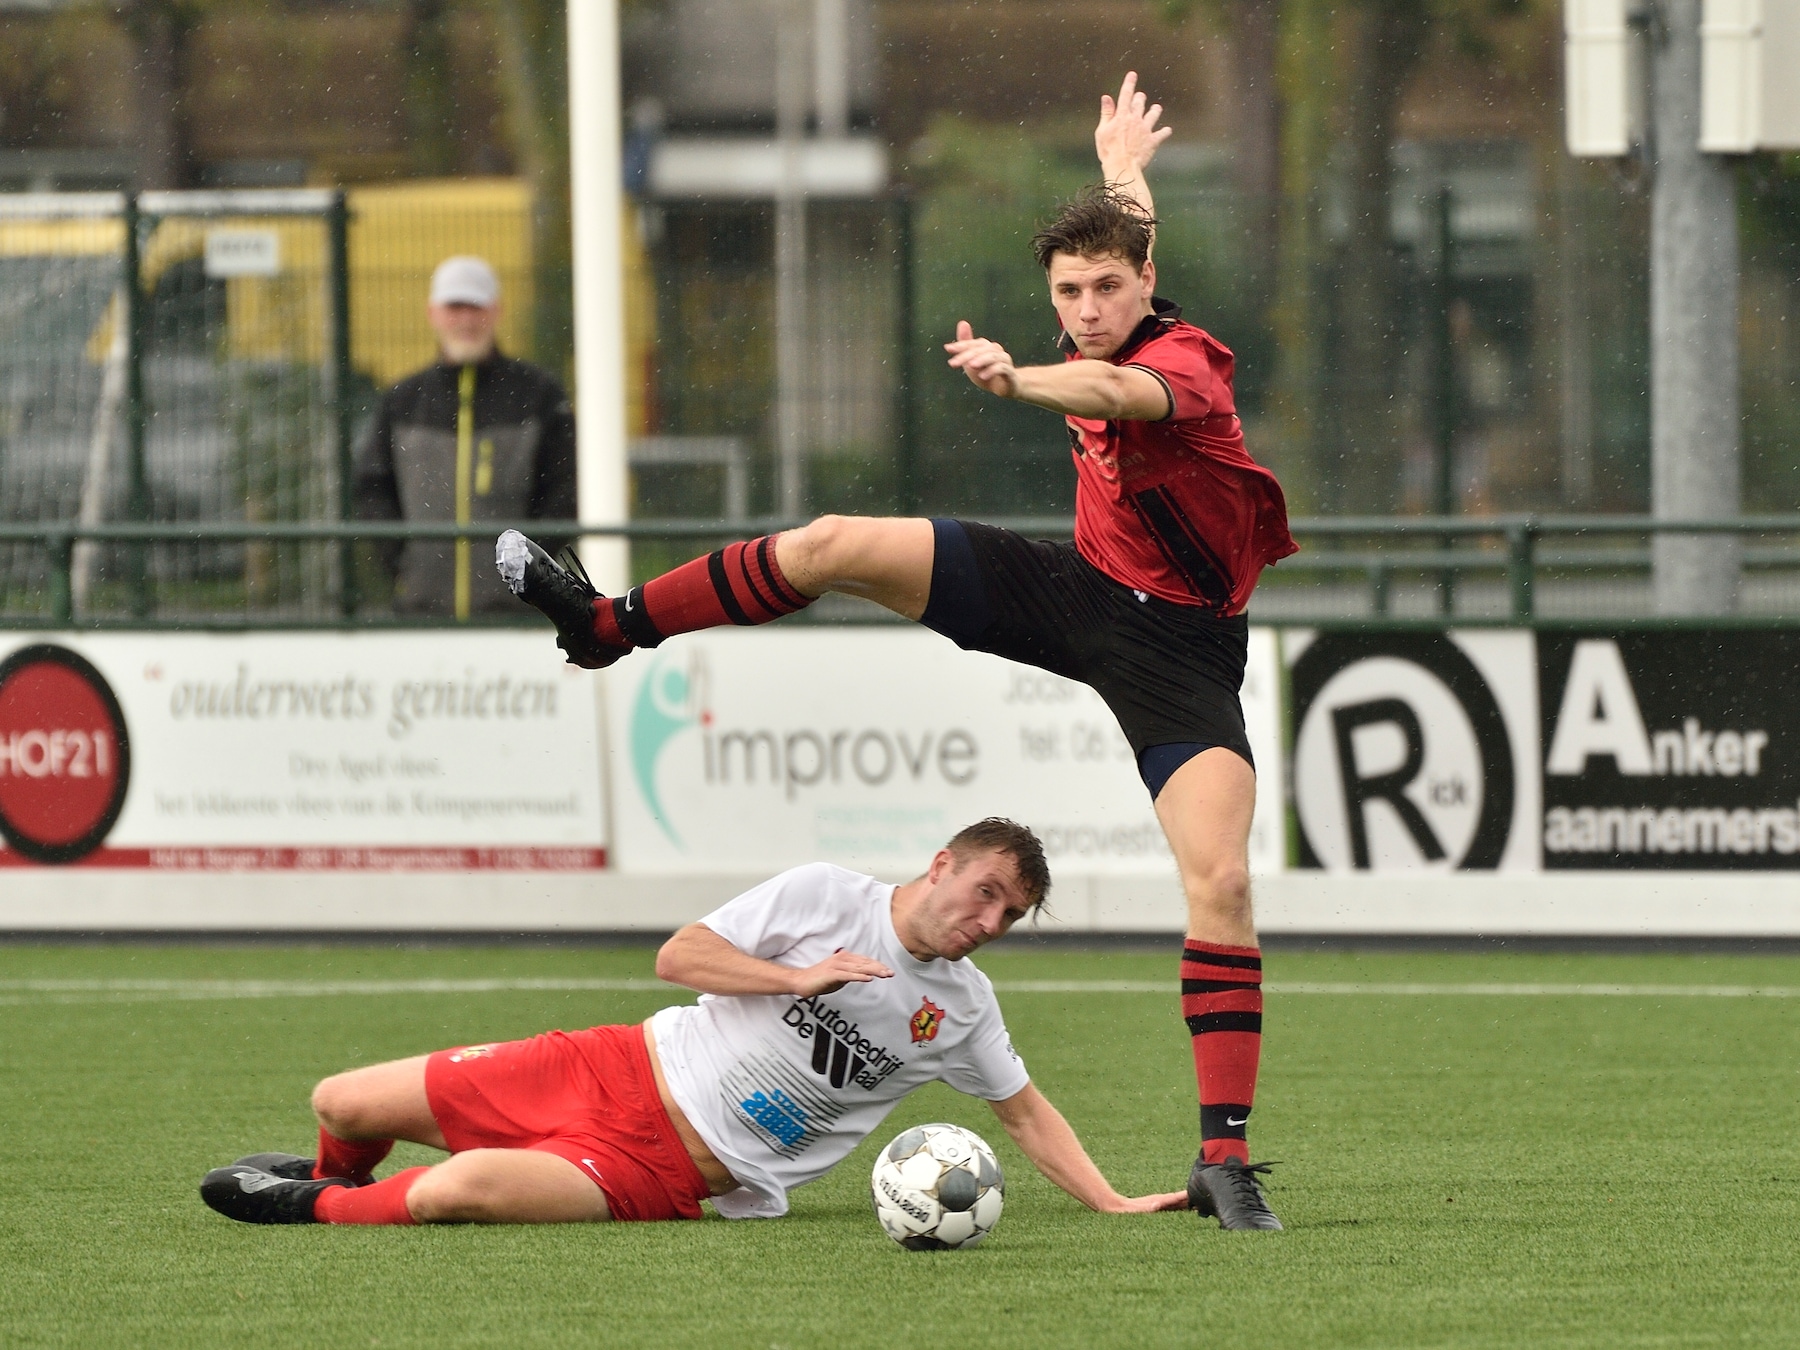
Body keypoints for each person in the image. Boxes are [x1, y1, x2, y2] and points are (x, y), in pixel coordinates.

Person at [496, 74, 1293, 1229]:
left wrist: (1021, 377)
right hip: (1071, 589)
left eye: (1108, 286)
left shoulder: (1185, 368)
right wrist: (1124, 165)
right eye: (1067, 290)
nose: (1086, 305)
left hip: (1180, 646)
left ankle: (1223, 1156)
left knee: (1220, 883)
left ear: (1147, 286)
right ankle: (607, 625)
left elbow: (1119, 386)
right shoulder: (1106, 280)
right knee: (828, 544)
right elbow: (1116, 258)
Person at [199, 820, 1188, 1227]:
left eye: (1007, 916)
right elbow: (677, 957)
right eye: (983, 894)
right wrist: (792, 980)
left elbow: (1023, 1113)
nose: (987, 923)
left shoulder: (961, 1012)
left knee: (458, 1190)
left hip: (672, 1169)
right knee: (343, 1100)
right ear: (941, 865)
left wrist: (1111, 1202)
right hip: (613, 1066)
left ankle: (308, 1212)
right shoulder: (822, 896)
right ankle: (339, 1177)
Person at [354, 255, 576, 620]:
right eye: (454, 306)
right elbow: (372, 491)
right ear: (433, 313)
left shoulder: (539, 396)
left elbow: (564, 492)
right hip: (420, 614)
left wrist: (530, 574)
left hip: (516, 621)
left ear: (496, 311)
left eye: (476, 306)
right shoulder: (401, 401)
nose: (466, 319)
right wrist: (404, 568)